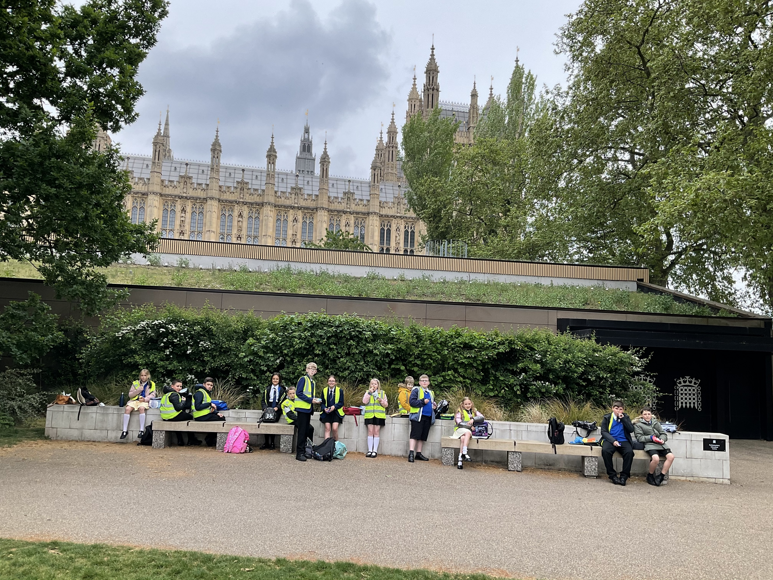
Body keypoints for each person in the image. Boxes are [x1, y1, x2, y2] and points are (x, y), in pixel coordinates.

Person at [635, 406, 675, 486]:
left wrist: (662, 439)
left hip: (661, 444)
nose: (647, 416)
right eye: (645, 414)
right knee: (655, 459)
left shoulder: (655, 422)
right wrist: (650, 438)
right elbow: (640, 438)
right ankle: (650, 475)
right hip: (650, 444)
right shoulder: (638, 425)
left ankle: (661, 476)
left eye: (648, 414)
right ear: (642, 415)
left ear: (651, 415)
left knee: (671, 457)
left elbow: (663, 433)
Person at [600, 400, 635, 485]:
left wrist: (623, 419)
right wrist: (613, 441)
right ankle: (612, 475)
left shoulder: (626, 417)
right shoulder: (607, 417)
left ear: (623, 410)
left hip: (623, 440)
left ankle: (624, 476)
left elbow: (631, 429)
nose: (618, 411)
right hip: (611, 440)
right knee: (605, 451)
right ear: (612, 408)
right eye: (616, 409)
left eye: (620, 409)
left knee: (629, 452)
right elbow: (604, 432)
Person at [294, 362, 321, 462]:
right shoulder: (303, 379)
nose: (312, 370)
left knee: (306, 430)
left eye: (314, 369)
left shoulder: (312, 382)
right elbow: (299, 393)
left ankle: (305, 450)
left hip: (308, 409)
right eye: (310, 368)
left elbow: (309, 395)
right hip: (302, 409)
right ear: (306, 369)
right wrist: (311, 400)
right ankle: (299, 453)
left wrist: (314, 400)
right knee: (302, 431)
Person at [121, 369, 158, 439]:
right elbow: (130, 395)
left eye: (145, 375)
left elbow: (153, 395)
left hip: (144, 401)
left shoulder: (152, 384)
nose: (143, 377)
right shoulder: (135, 383)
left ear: (148, 376)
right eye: (142, 375)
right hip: (134, 401)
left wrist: (145, 399)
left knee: (141, 408)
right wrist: (138, 390)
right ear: (140, 376)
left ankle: (141, 430)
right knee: (127, 409)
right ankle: (124, 430)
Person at [408, 374, 436, 463]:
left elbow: (431, 403)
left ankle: (418, 453)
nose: (424, 382)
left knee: (422, 436)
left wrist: (434, 406)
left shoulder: (431, 392)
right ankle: (411, 452)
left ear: (428, 382)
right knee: (415, 434)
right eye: (423, 380)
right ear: (419, 382)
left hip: (427, 416)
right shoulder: (416, 390)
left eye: (426, 380)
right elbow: (412, 402)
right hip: (417, 416)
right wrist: (422, 402)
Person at [452, 397, 483, 470]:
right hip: (459, 430)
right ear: (462, 405)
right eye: (466, 404)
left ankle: (460, 459)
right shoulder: (460, 412)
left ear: (471, 404)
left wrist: (473, 419)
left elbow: (482, 417)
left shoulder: (474, 411)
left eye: (469, 404)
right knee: (467, 432)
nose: (468, 405)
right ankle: (465, 452)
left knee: (463, 438)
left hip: (466, 434)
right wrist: (469, 426)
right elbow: (459, 423)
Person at [159, 379, 193, 446]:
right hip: (173, 416)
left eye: (181, 386)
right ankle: (191, 439)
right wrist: (183, 401)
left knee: (179, 419)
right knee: (190, 417)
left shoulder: (166, 394)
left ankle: (180, 440)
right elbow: (178, 408)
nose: (179, 388)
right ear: (172, 386)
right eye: (177, 386)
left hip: (165, 417)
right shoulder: (174, 395)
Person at [192, 377, 225, 447]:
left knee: (221, 417)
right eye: (208, 384)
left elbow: (208, 408)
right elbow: (198, 407)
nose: (210, 386)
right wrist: (210, 404)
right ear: (204, 384)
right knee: (222, 419)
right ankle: (209, 439)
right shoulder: (200, 393)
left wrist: (217, 413)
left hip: (204, 415)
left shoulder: (206, 393)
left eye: (211, 385)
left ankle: (210, 439)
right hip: (200, 416)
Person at [281, 387, 314, 451]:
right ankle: (304, 445)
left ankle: (309, 444)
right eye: (290, 393)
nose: (292, 395)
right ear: (287, 394)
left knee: (310, 428)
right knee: (305, 429)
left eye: (293, 393)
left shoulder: (297, 400)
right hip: (292, 420)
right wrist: (301, 419)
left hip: (299, 419)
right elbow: (290, 415)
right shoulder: (285, 403)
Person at [363, 378, 388, 457]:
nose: (373, 385)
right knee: (370, 431)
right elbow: (364, 401)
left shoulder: (382, 393)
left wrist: (381, 401)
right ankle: (370, 450)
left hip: (378, 415)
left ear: (378, 385)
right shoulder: (367, 392)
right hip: (369, 415)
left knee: (376, 432)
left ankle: (375, 450)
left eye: (375, 384)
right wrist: (369, 393)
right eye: (372, 384)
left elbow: (386, 405)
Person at [261, 373, 286, 450]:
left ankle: (272, 442)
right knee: (266, 423)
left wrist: (277, 407)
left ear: (279, 380)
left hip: (276, 408)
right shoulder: (267, 389)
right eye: (273, 379)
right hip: (269, 406)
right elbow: (263, 400)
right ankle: (266, 442)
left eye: (277, 379)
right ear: (271, 380)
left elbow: (283, 401)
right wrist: (265, 408)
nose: (275, 380)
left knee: (272, 423)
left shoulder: (282, 389)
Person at [320, 375, 344, 442]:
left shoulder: (340, 390)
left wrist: (334, 407)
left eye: (333, 381)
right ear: (327, 382)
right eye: (330, 381)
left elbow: (341, 403)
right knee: (327, 429)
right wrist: (324, 408)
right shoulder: (324, 390)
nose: (331, 382)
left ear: (335, 382)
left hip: (336, 412)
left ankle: (335, 446)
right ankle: (327, 447)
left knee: (334, 428)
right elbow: (322, 403)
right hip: (327, 412)